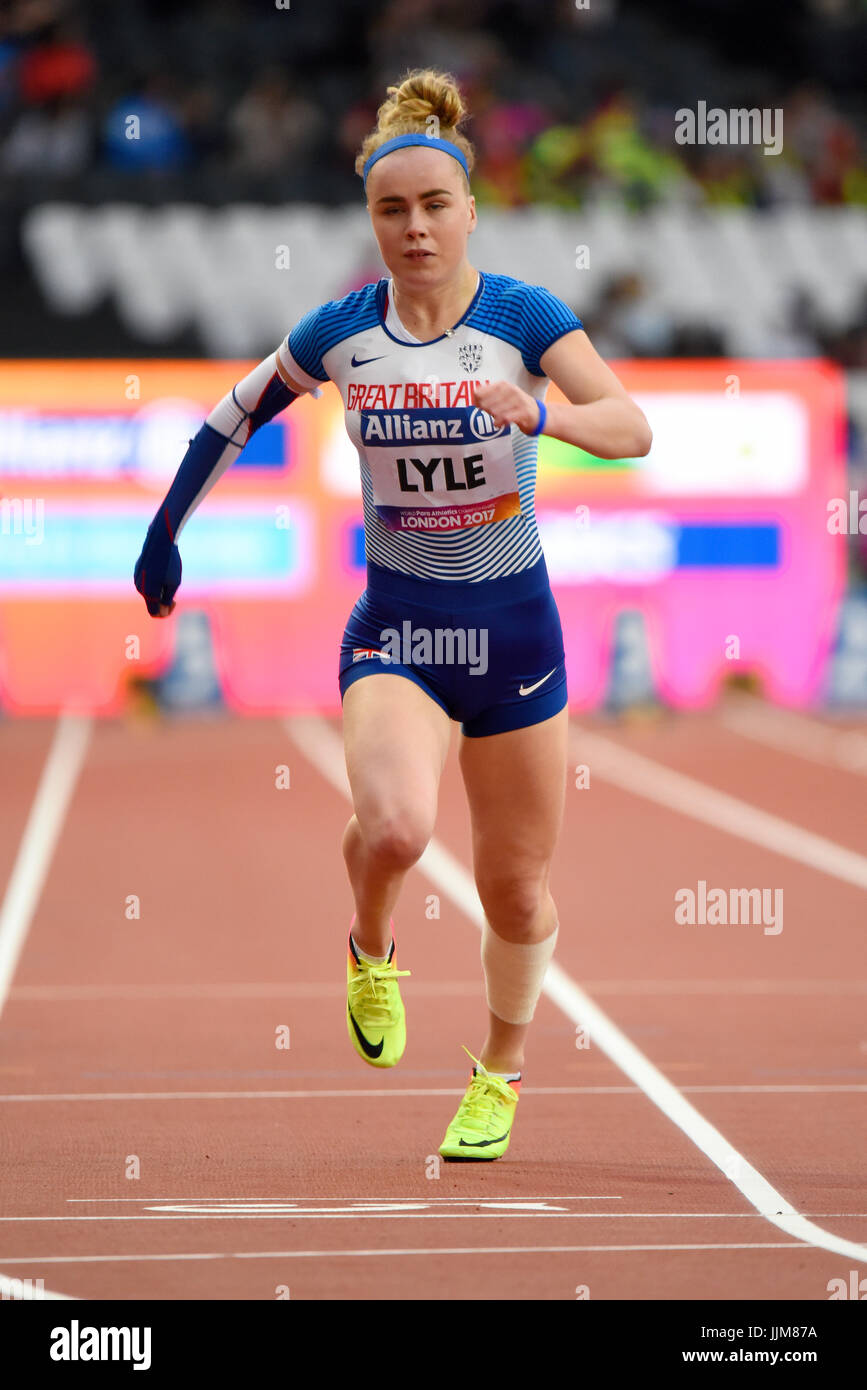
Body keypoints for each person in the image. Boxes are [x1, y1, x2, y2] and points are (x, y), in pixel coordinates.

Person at [134, 68, 651, 1161]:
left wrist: (546, 412)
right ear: (371, 218)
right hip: (401, 633)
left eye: (434, 207)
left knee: (515, 890)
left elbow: (630, 425)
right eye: (391, 209)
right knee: (402, 829)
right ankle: (372, 946)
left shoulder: (524, 316)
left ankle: (499, 1076)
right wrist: (165, 526)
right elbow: (228, 421)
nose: (414, 229)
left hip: (515, 635)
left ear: (471, 211)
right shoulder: (339, 334)